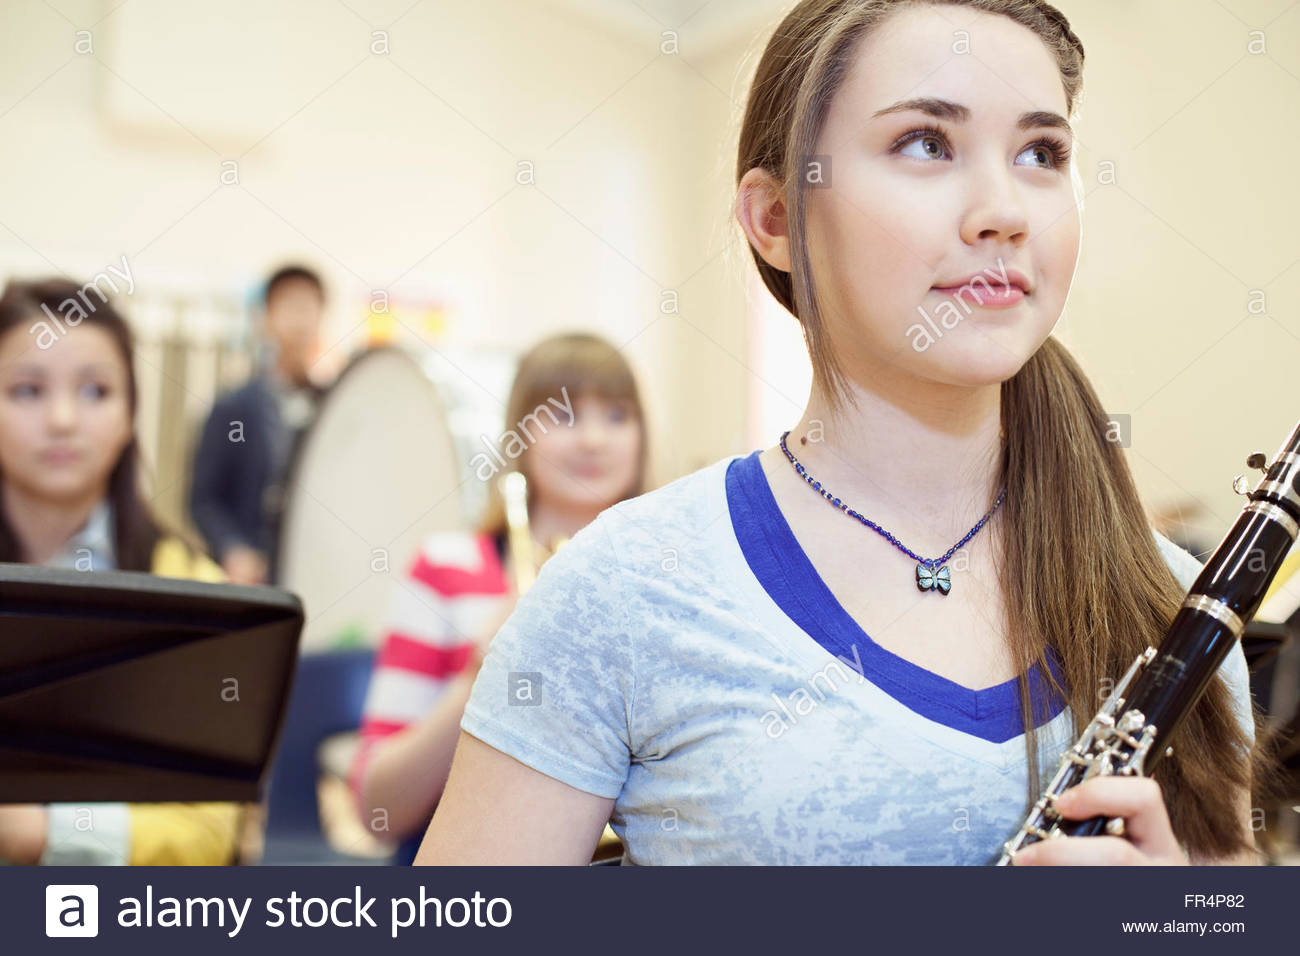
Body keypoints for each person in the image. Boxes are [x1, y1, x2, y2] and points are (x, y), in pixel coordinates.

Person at [415, 0, 1272, 866]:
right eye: (926, 143)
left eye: (1040, 153)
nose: (1006, 210)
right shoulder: (625, 588)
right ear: (777, 218)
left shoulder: (1173, 600)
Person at [350, 332, 649, 863]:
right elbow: (378, 806)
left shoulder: (663, 577)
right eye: (565, 415)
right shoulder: (447, 566)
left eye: (618, 416)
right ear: (520, 433)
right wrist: (479, 676)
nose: (595, 440)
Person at [0, 277, 245, 865]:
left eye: (94, 391)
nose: (62, 420)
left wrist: (40, 836)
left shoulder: (196, 592)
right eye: (27, 391)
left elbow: (211, 832)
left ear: (131, 412)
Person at [190, 264, 326, 586]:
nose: (300, 321)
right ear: (266, 318)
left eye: (309, 308)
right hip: (252, 578)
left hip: (316, 575)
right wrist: (233, 549)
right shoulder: (233, 408)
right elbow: (203, 499)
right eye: (290, 307)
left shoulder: (330, 406)